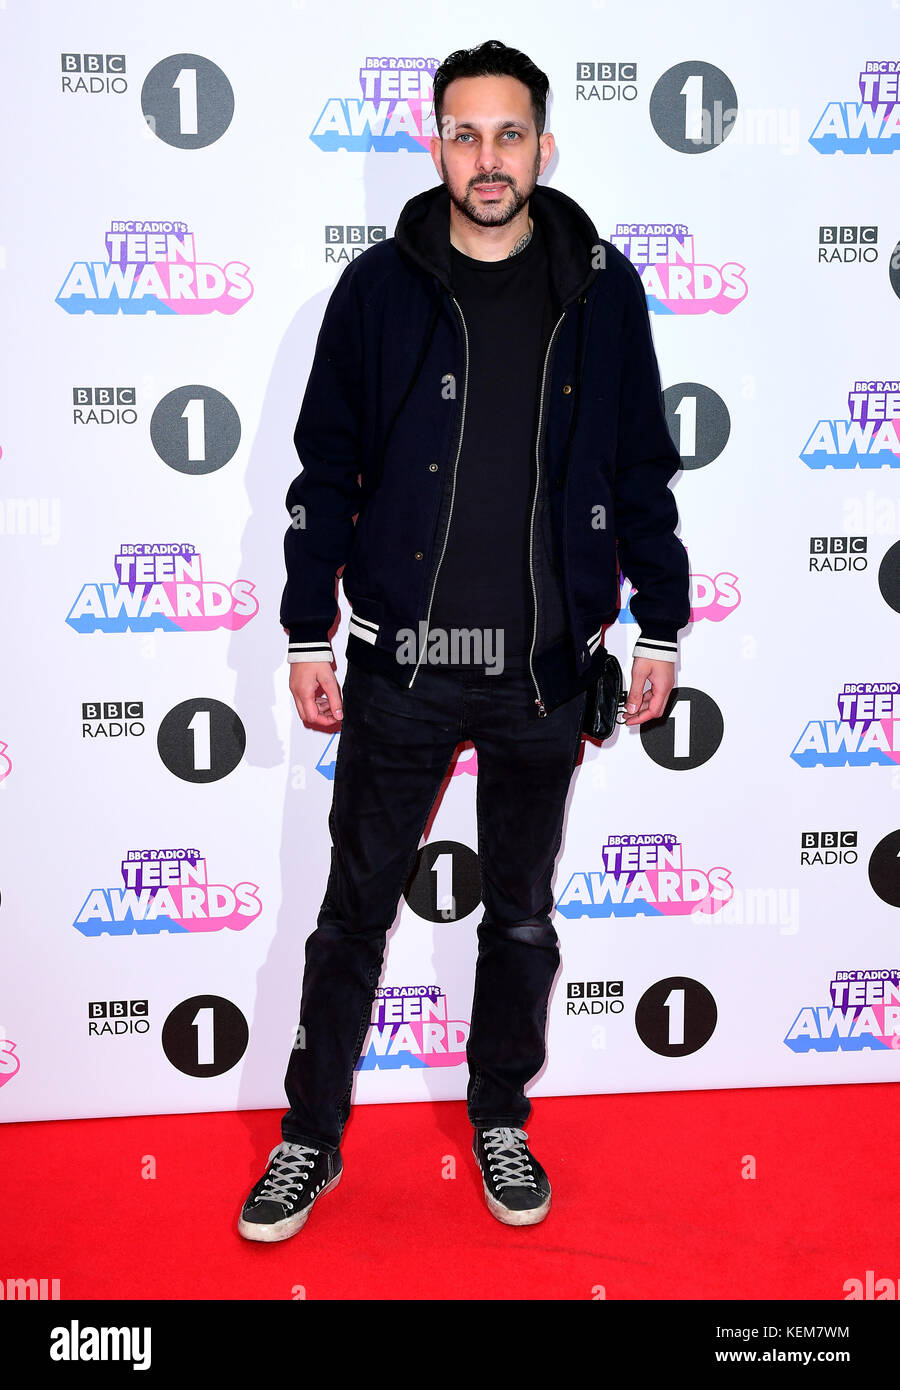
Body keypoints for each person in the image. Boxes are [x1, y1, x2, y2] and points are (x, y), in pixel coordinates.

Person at [238, 39, 690, 1242]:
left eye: (508, 134)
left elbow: (644, 464)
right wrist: (302, 630)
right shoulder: (376, 293)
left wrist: (664, 621)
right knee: (350, 916)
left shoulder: (604, 290)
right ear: (434, 142)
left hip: (545, 672)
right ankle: (309, 1137)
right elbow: (321, 473)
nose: (487, 159)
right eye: (464, 133)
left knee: (525, 918)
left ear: (546, 144)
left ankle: (500, 1114)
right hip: (402, 671)